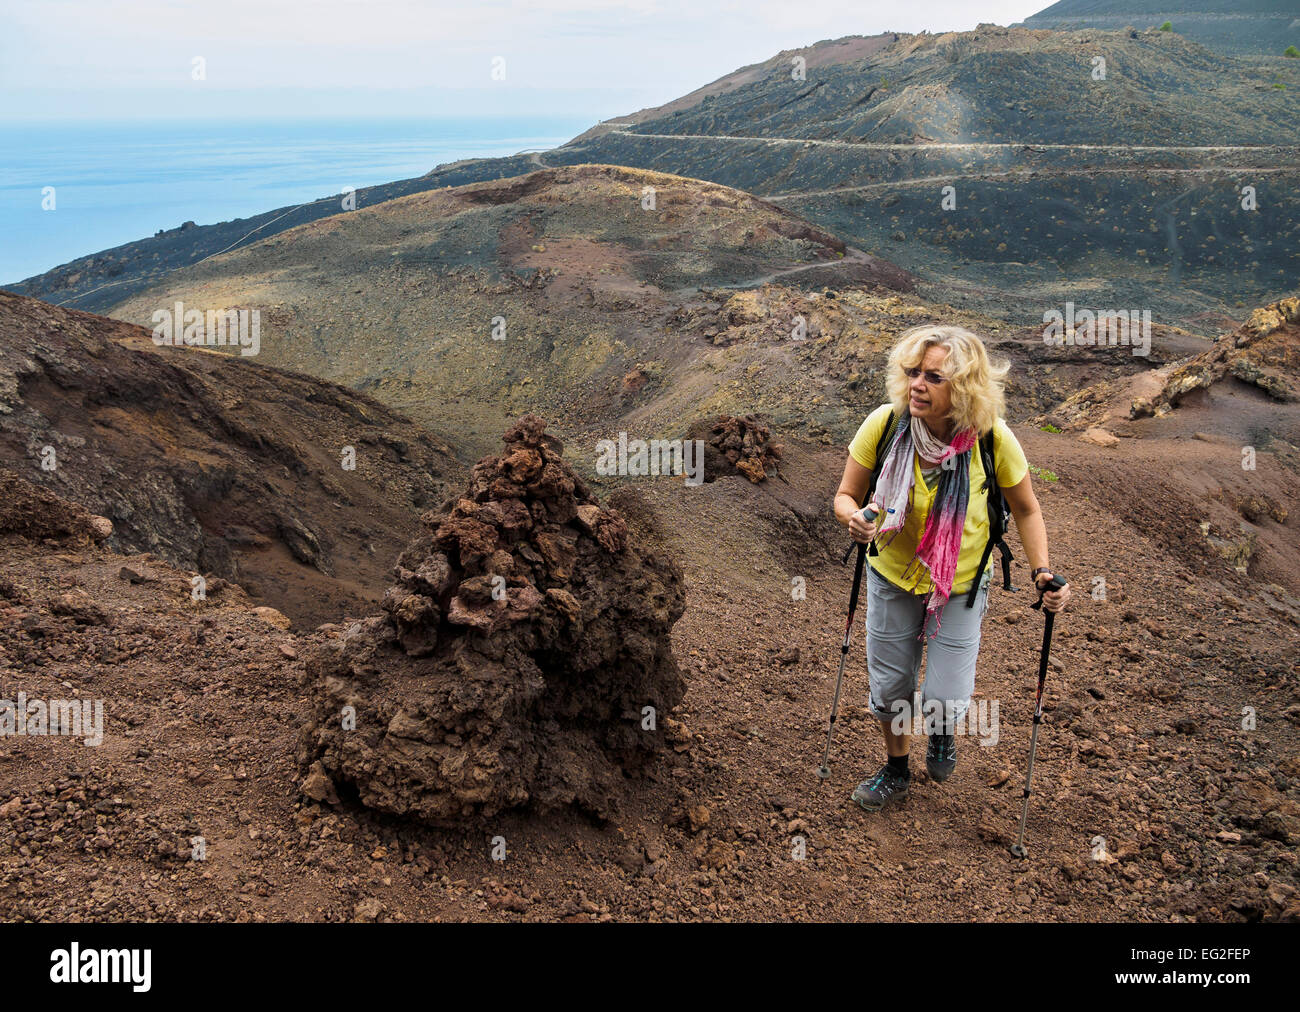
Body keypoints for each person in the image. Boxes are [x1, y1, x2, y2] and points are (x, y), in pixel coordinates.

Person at [833, 325, 1070, 811]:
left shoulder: (991, 439)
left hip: (960, 586)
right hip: (891, 577)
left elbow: (1026, 509)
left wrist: (1042, 570)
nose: (917, 384)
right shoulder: (884, 425)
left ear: (963, 387)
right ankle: (896, 769)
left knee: (943, 698)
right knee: (892, 687)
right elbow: (845, 496)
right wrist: (853, 519)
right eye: (912, 372)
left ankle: (941, 730)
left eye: (934, 377)